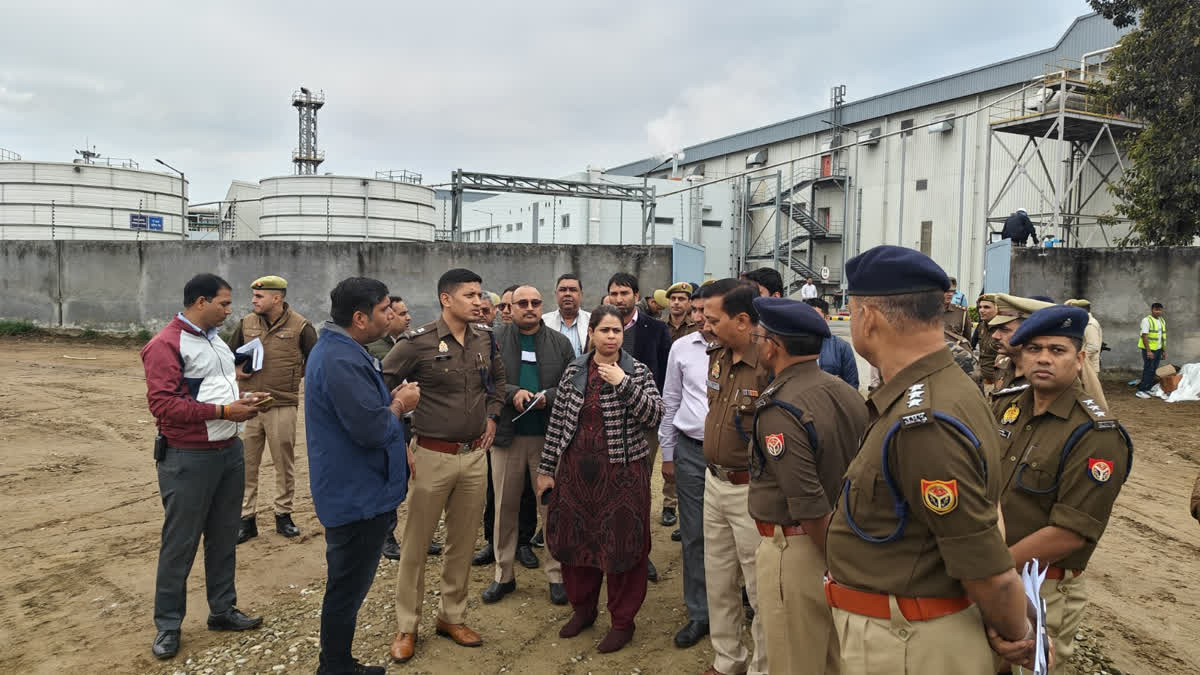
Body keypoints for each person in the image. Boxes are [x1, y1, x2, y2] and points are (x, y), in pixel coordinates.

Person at [825, 246, 1042, 674]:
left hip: (907, 643)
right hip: (907, 630)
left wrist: (1017, 635)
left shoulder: (924, 420)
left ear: (869, 317)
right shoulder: (946, 388)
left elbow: (986, 566)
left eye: (853, 312)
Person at [996, 305, 1132, 674]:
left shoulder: (1096, 434)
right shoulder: (1005, 407)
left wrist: (991, 569)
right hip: (991, 578)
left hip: (1042, 589)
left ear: (1079, 359)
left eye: (1057, 350)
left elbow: (1071, 532)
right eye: (1033, 349)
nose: (1043, 358)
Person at [382, 268, 506, 662]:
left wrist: (492, 416)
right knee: (417, 544)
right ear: (446, 299)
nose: (479, 301)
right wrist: (397, 437)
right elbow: (379, 386)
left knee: (463, 542)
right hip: (431, 457)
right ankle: (407, 625)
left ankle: (451, 616)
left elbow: (498, 383)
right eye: (470, 295)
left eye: (480, 294)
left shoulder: (485, 338)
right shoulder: (417, 343)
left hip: (473, 456)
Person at [140, 273, 265, 660]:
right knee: (180, 543)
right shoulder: (165, 345)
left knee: (224, 536)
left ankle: (222, 610)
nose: (230, 311)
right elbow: (164, 405)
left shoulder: (216, 342)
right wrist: (226, 411)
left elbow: (213, 388)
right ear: (200, 302)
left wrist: (242, 398)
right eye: (223, 304)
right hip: (188, 456)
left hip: (228, 451)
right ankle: (168, 624)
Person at [748, 297, 869, 674]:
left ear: (774, 346)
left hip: (800, 548)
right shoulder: (844, 392)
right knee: (832, 657)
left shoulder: (780, 407)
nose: (756, 344)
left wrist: (838, 563)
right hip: (840, 537)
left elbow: (808, 502)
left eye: (759, 337)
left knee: (793, 661)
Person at [306, 277, 419, 675]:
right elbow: (371, 429)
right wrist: (400, 405)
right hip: (355, 497)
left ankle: (338, 663)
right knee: (346, 589)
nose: (391, 315)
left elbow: (365, 414)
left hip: (361, 490)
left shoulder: (346, 350)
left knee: (348, 586)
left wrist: (392, 418)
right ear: (359, 318)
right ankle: (335, 667)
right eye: (385, 309)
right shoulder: (339, 359)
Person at [535, 306, 665, 654]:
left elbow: (655, 415)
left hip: (623, 476)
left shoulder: (636, 371)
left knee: (624, 548)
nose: (611, 337)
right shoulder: (575, 370)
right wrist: (546, 470)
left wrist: (623, 383)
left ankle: (622, 622)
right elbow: (558, 423)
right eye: (604, 330)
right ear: (591, 333)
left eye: (617, 331)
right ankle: (583, 610)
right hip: (576, 475)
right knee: (576, 543)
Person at [483, 285, 575, 606]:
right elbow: (485, 381)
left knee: (551, 508)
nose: (530, 307)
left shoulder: (560, 343)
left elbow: (572, 385)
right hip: (506, 437)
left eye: (535, 302)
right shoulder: (494, 340)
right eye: (522, 303)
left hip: (548, 438)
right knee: (504, 508)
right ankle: (503, 575)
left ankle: (556, 575)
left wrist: (547, 397)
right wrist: (513, 393)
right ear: (511, 307)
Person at [699, 279, 772, 675]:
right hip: (714, 483)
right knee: (719, 578)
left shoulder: (769, 364)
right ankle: (728, 660)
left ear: (742, 320)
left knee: (759, 587)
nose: (705, 325)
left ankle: (762, 667)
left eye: (713, 319)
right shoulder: (718, 356)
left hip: (751, 490)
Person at [226, 275, 318, 544]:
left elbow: (315, 361)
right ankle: (246, 519)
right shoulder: (246, 323)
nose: (253, 300)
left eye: (259, 296)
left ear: (276, 298)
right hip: (248, 404)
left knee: (283, 463)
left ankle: (283, 515)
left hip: (282, 403)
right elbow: (228, 356)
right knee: (247, 463)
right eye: (254, 296)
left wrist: (296, 376)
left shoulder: (301, 326)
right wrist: (237, 370)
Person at [658, 285, 714, 649]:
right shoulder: (681, 348)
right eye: (695, 310)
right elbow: (671, 399)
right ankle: (700, 612)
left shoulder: (747, 348)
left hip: (737, 458)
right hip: (691, 452)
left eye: (706, 310)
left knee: (739, 534)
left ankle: (741, 602)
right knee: (694, 535)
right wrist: (668, 453)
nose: (699, 317)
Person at [607, 272, 676, 541]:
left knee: (639, 484)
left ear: (636, 296)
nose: (619, 299)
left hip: (645, 420)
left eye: (624, 293)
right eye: (614, 293)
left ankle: (637, 544)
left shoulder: (656, 329)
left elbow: (666, 376)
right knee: (610, 483)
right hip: (609, 420)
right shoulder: (602, 326)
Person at [989, 294, 1108, 412]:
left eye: (1004, 329)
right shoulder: (1003, 361)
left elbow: (1096, 409)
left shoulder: (1071, 366)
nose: (995, 336)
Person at [804, 297, 858, 389]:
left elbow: (852, 385)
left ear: (827, 318)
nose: (811, 322)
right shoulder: (794, 346)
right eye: (807, 317)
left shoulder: (842, 347)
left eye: (816, 317)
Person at [542, 273, 590, 357]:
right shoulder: (543, 322)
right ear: (556, 294)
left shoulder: (592, 320)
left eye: (573, 290)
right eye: (563, 290)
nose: (567, 293)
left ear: (581, 295)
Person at [366, 295, 412, 362]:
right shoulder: (376, 349)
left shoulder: (412, 340)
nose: (408, 318)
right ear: (389, 316)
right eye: (402, 314)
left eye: (407, 313)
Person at [1136, 302, 1166, 399]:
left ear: (1162, 310)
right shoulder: (1146, 320)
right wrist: (1148, 351)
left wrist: (1163, 350)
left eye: (1159, 310)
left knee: (1153, 370)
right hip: (1149, 350)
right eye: (1156, 309)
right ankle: (1141, 390)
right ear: (1152, 310)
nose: (1158, 312)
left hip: (1158, 349)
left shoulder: (1162, 320)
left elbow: (1162, 337)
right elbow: (1144, 336)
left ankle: (1148, 388)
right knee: (1148, 369)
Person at [1065, 298, 1103, 374]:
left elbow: (1093, 347)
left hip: (1089, 368)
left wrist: (1078, 359)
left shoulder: (1090, 324)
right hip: (1084, 366)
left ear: (1082, 310)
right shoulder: (1084, 321)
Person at [972, 294, 999, 393]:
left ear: (997, 308)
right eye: (980, 307)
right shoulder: (981, 326)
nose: (981, 310)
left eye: (986, 307)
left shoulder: (1003, 328)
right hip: (981, 382)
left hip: (996, 383)